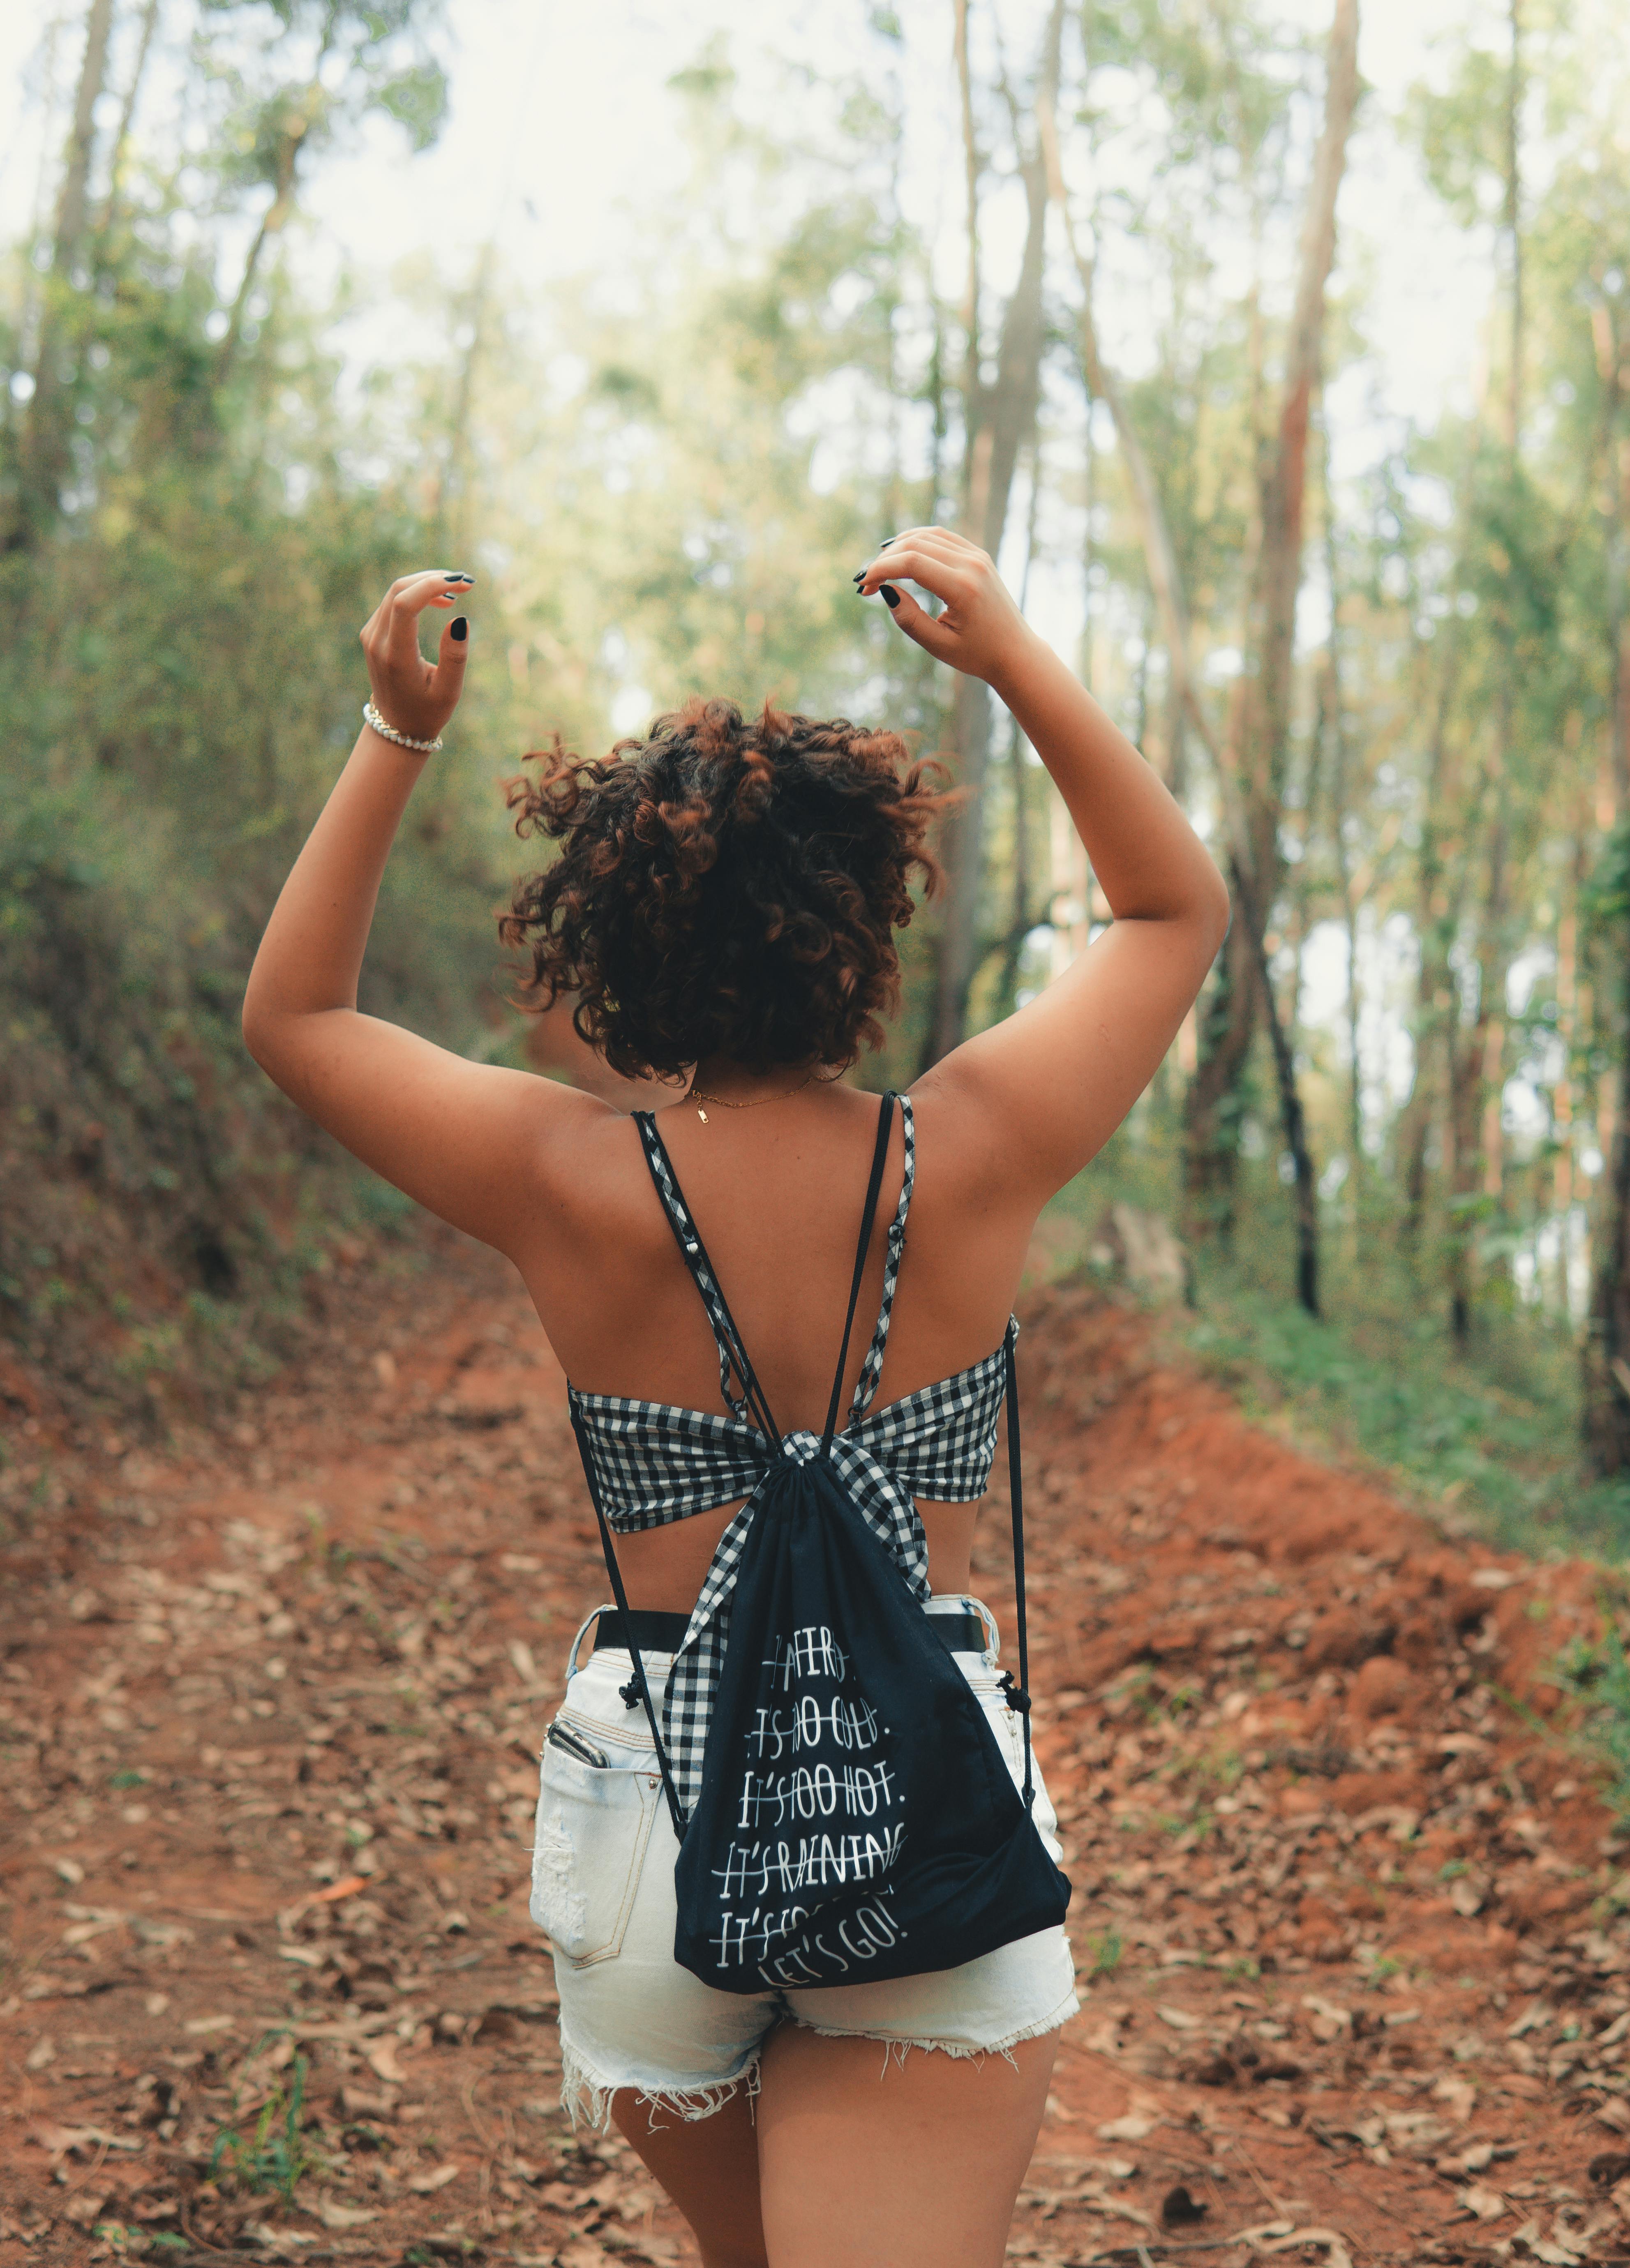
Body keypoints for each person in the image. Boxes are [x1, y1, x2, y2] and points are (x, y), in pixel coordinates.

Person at [242, 529, 1229, 2268]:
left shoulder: (567, 1177)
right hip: (920, 1794)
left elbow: (298, 1016)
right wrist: (1010, 657)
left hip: (655, 1807)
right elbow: (1172, 909)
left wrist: (397, 734)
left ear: (613, 946)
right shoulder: (972, 1149)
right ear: (865, 928)